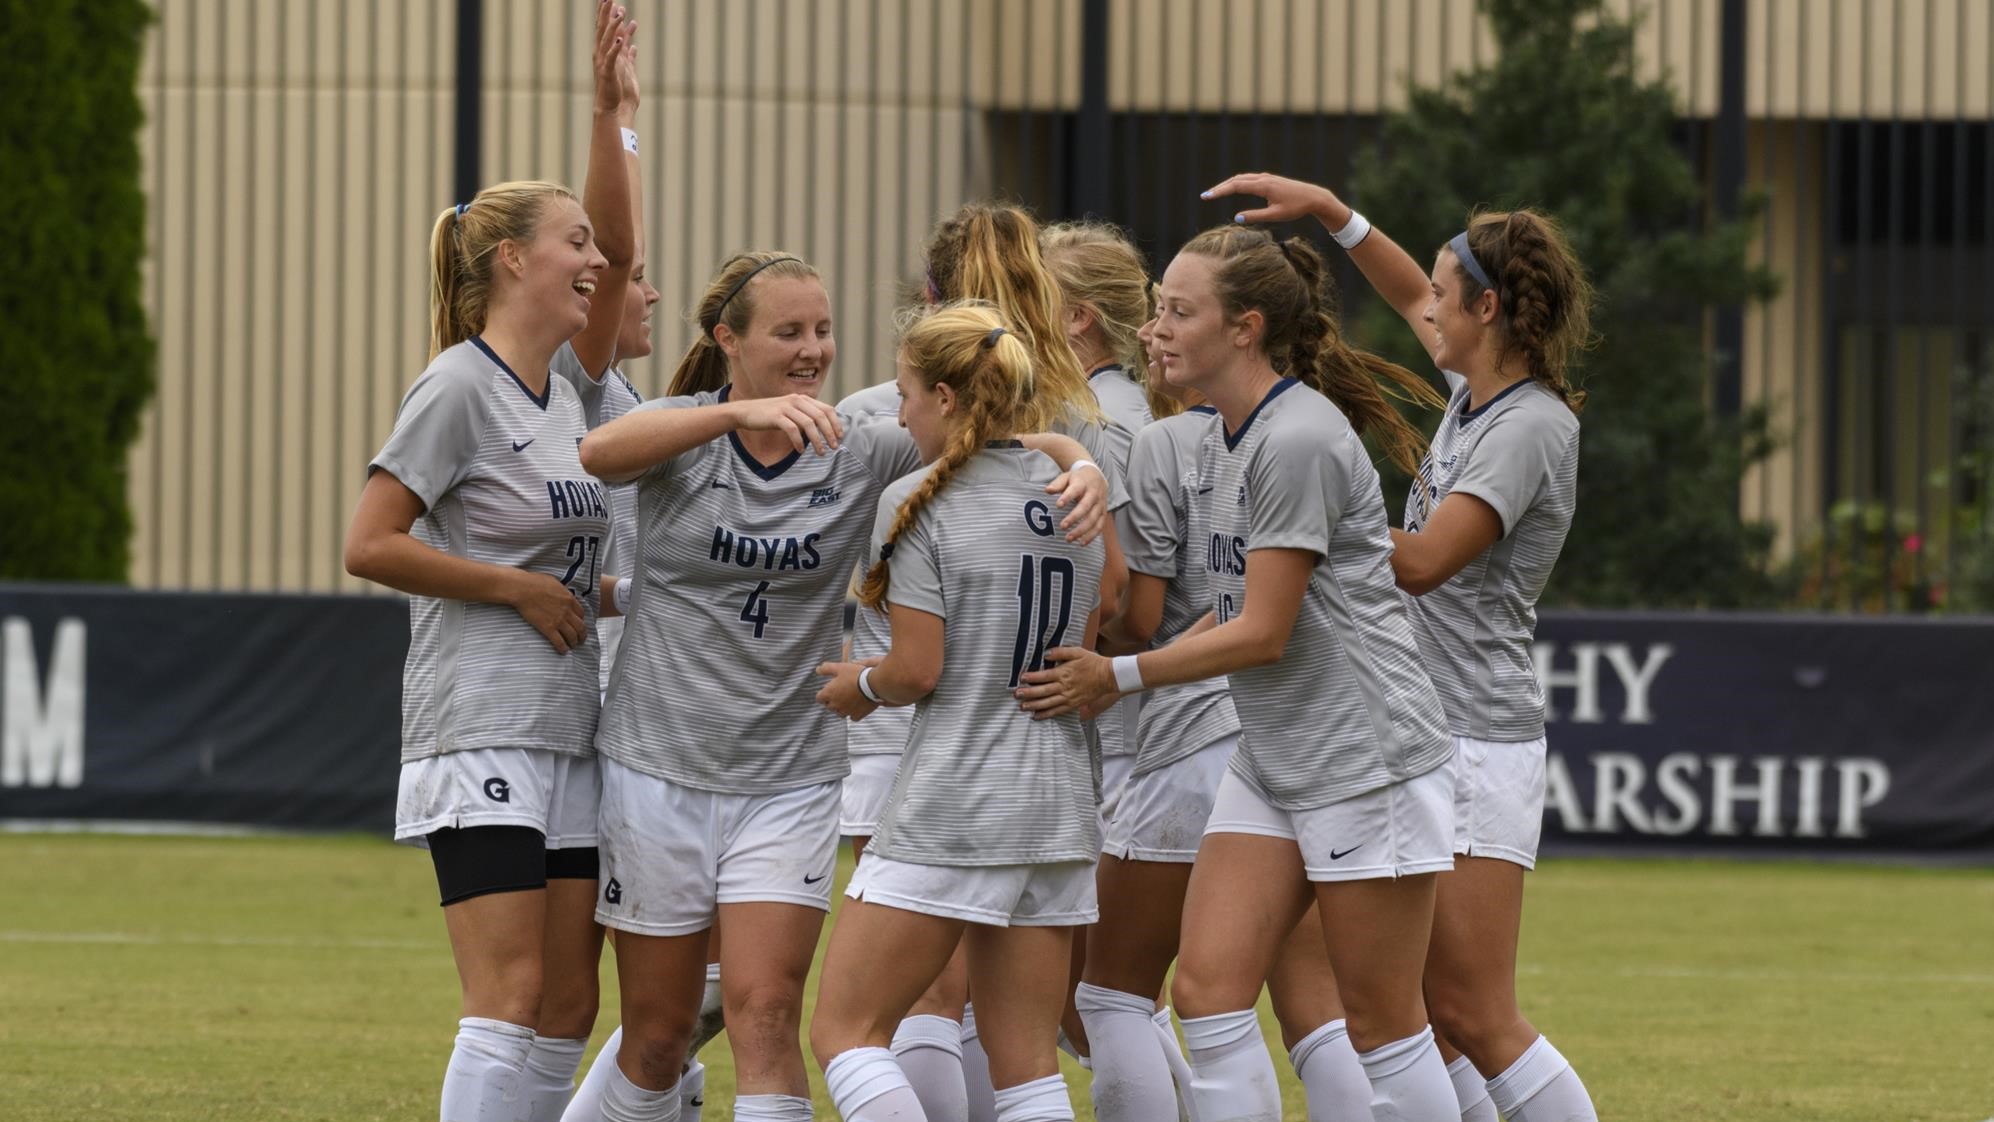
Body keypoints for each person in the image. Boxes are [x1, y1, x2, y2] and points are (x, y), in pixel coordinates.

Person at [575, 253, 1108, 1122]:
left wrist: (1080, 460)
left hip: (790, 775)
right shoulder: (683, 430)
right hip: (655, 766)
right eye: (788, 332)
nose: (813, 350)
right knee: (660, 1035)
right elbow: (599, 451)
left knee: (769, 1015)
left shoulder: (865, 447)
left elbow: (986, 432)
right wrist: (734, 412)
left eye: (821, 330)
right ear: (728, 341)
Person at [1016, 223, 1464, 1122]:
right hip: (1272, 756)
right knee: (1206, 994)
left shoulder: (1294, 437)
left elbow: (1262, 632)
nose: (1156, 329)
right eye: (1159, 311)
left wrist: (1123, 676)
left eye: (1180, 312)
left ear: (1246, 329)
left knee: (1380, 1024)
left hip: (1363, 759)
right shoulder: (1215, 434)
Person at [1206, 172, 1598, 1122]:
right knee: (1412, 1008)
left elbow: (1422, 563)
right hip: (1413, 728)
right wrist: (1332, 213)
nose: (1426, 303)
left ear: (1490, 306)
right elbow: (1404, 290)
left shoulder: (1530, 425)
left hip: (1472, 736)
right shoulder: (1476, 388)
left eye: (1443, 287)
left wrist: (1302, 527)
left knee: (1471, 1009)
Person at [342, 161, 614, 1119]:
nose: (599, 259)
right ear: (511, 260)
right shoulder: (458, 385)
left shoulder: (568, 394)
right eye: (575, 242)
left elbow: (567, 576)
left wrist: (621, 595)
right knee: (507, 1000)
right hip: (483, 725)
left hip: (570, 727)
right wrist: (516, 589)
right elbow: (369, 544)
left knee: (569, 1000)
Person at [810, 303, 1110, 1122]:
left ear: (944, 395)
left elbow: (916, 670)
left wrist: (858, 689)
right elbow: (1079, 654)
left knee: (844, 1032)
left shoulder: (917, 497)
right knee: (1028, 1069)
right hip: (1056, 812)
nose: (899, 412)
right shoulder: (1075, 497)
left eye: (906, 393)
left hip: (957, 804)